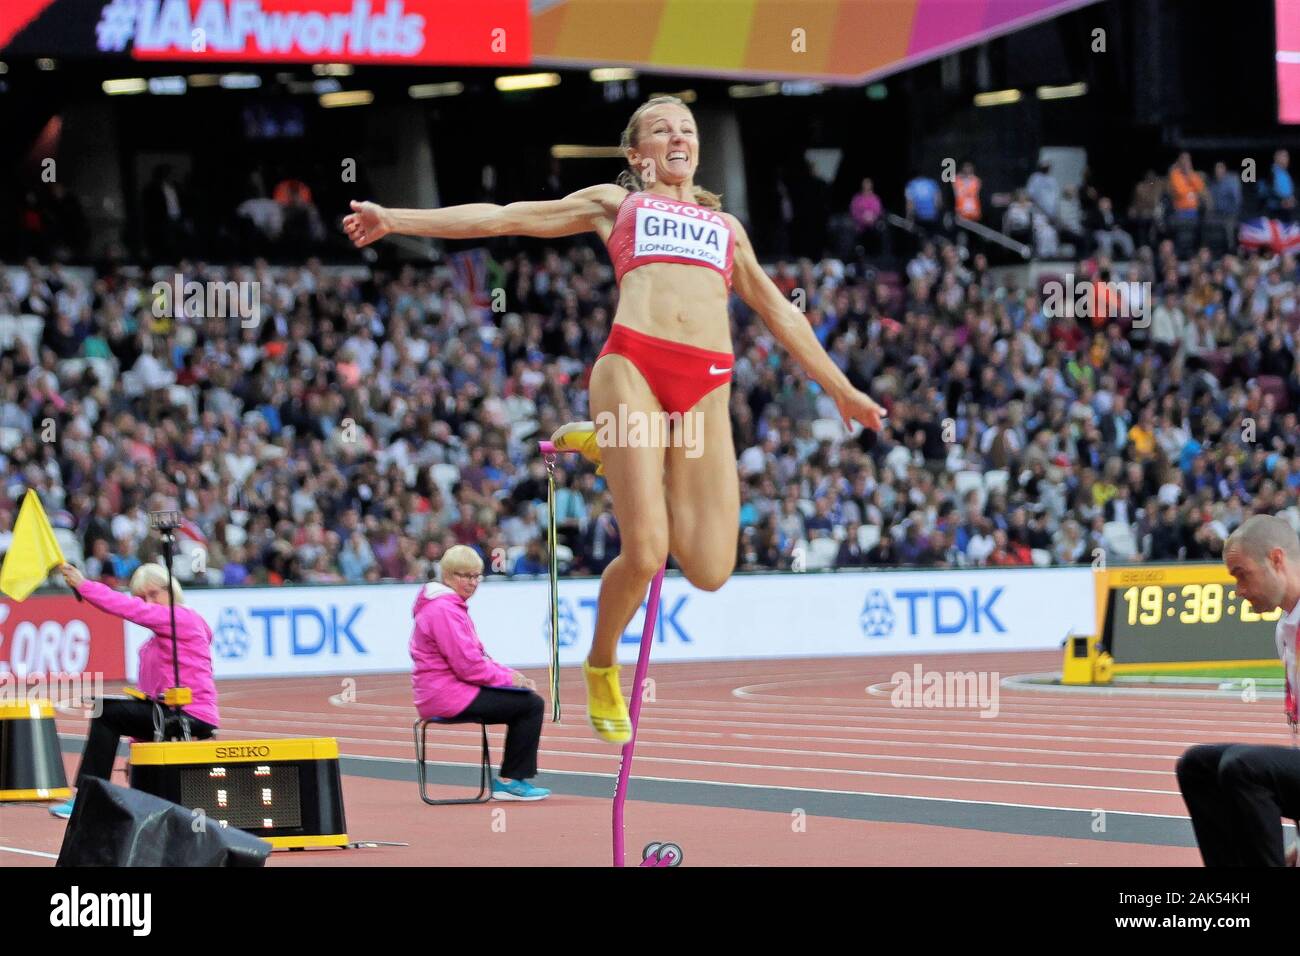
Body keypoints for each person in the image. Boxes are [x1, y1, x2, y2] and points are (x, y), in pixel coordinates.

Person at [345, 95, 887, 744]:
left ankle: (612, 445)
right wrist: (394, 218)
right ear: (638, 155)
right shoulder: (618, 204)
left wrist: (843, 390)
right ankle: (601, 662)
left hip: (705, 390)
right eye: (661, 128)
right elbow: (503, 217)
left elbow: (781, 313)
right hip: (633, 365)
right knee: (648, 551)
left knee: (712, 569)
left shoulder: (728, 231)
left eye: (688, 126)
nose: (679, 135)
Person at [1175, 514, 1300, 866]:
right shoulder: (1286, 630)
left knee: (1242, 766)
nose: (1238, 591)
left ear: (1276, 560)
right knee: (1197, 766)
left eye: (1241, 574)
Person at [50, 562, 219, 819]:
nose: (148, 602)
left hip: (190, 713)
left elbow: (128, 609)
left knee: (104, 711)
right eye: (141, 597)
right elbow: (147, 698)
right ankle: (93, 798)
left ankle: (86, 798)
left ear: (171, 590)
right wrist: (136, 750)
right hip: (166, 711)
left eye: (154, 594)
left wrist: (84, 586)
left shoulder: (181, 618)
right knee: (111, 709)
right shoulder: (152, 645)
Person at [409, 545, 550, 800]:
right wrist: (510, 680)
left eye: (477, 576)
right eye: (467, 576)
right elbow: (468, 666)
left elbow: (479, 656)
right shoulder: (444, 610)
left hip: (448, 691)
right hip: (446, 695)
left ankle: (511, 778)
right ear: (449, 575)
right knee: (530, 705)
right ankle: (511, 781)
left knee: (525, 700)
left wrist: (511, 676)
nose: (473, 583)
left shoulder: (448, 606)